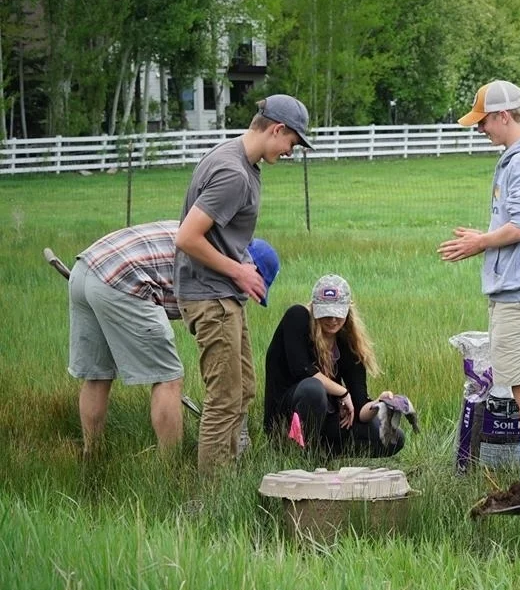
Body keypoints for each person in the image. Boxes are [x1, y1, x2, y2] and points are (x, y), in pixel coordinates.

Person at [174, 93, 311, 473]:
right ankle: (214, 497)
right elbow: (186, 238)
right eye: (292, 142)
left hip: (224, 295)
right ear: (277, 129)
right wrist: (237, 271)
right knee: (224, 400)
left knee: (244, 388)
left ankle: (233, 472)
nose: (290, 151)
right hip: (212, 297)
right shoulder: (233, 173)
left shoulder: (239, 161)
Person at [67, 220, 278, 458]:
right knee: (169, 379)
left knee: (98, 374)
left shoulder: (212, 238)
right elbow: (214, 334)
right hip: (124, 281)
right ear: (251, 271)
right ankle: (170, 466)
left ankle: (92, 456)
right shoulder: (221, 267)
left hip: (87, 269)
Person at [438, 80, 520, 482]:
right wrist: (486, 238)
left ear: (504, 116)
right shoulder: (519, 158)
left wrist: (481, 242)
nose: (481, 130)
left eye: (484, 122)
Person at [263, 274, 405, 457]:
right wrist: (342, 392)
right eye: (326, 313)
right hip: (287, 415)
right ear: (314, 308)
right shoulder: (297, 317)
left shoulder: (349, 344)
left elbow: (360, 406)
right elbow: (302, 370)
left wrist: (381, 403)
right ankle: (298, 453)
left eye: (337, 313)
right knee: (313, 389)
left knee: (393, 439)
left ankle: (325, 452)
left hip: (328, 420)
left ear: (347, 310)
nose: (332, 320)